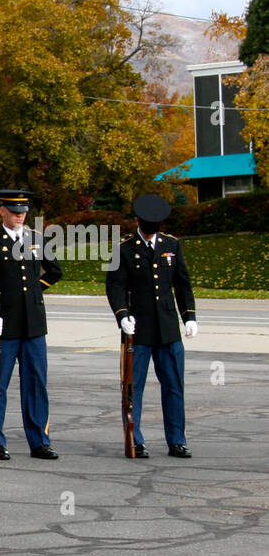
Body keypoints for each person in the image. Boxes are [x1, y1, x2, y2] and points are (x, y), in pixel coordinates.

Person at [0, 188, 62, 460]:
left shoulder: (36, 239)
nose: (19, 216)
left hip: (33, 324)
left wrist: (35, 290)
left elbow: (55, 271)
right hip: (5, 324)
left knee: (36, 384)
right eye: (14, 212)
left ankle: (40, 441)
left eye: (23, 212)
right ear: (2, 211)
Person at [107, 194, 197, 458]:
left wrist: (189, 316)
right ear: (137, 221)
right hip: (138, 329)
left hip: (168, 328)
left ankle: (177, 439)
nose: (152, 229)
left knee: (173, 386)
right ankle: (134, 439)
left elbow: (182, 283)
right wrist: (122, 315)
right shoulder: (121, 247)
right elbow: (114, 286)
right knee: (133, 387)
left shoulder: (172, 244)